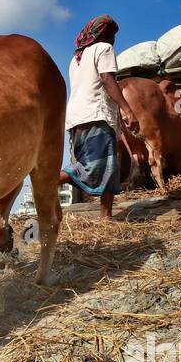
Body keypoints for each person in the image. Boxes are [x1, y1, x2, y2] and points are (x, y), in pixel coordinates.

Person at [58, 15, 139, 220]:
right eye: (112, 34)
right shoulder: (104, 49)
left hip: (77, 119)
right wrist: (127, 110)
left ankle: (106, 217)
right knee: (94, 168)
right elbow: (107, 79)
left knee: (104, 168)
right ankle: (50, 180)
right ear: (103, 34)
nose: (113, 39)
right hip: (97, 116)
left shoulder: (75, 59)